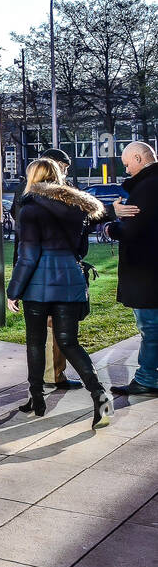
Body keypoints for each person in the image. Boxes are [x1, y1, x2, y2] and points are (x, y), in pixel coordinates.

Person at [6, 158, 112, 428]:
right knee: (69, 342)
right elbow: (81, 250)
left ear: (34, 177)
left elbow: (27, 256)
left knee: (35, 341)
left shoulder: (29, 209)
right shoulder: (77, 207)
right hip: (70, 279)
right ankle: (99, 395)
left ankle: (37, 398)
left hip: (38, 285)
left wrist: (13, 291)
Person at [12, 148, 83, 392]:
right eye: (64, 166)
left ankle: (39, 391)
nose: (66, 170)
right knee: (60, 335)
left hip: (34, 269)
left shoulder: (27, 197)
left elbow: (25, 244)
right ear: (54, 167)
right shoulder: (69, 199)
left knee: (38, 337)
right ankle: (55, 376)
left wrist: (15, 288)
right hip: (58, 270)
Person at [102, 141, 158, 397]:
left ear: (138, 158)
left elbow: (132, 229)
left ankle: (147, 378)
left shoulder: (146, 187)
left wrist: (111, 227)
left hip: (145, 272)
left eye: (127, 164)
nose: (126, 170)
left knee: (150, 328)